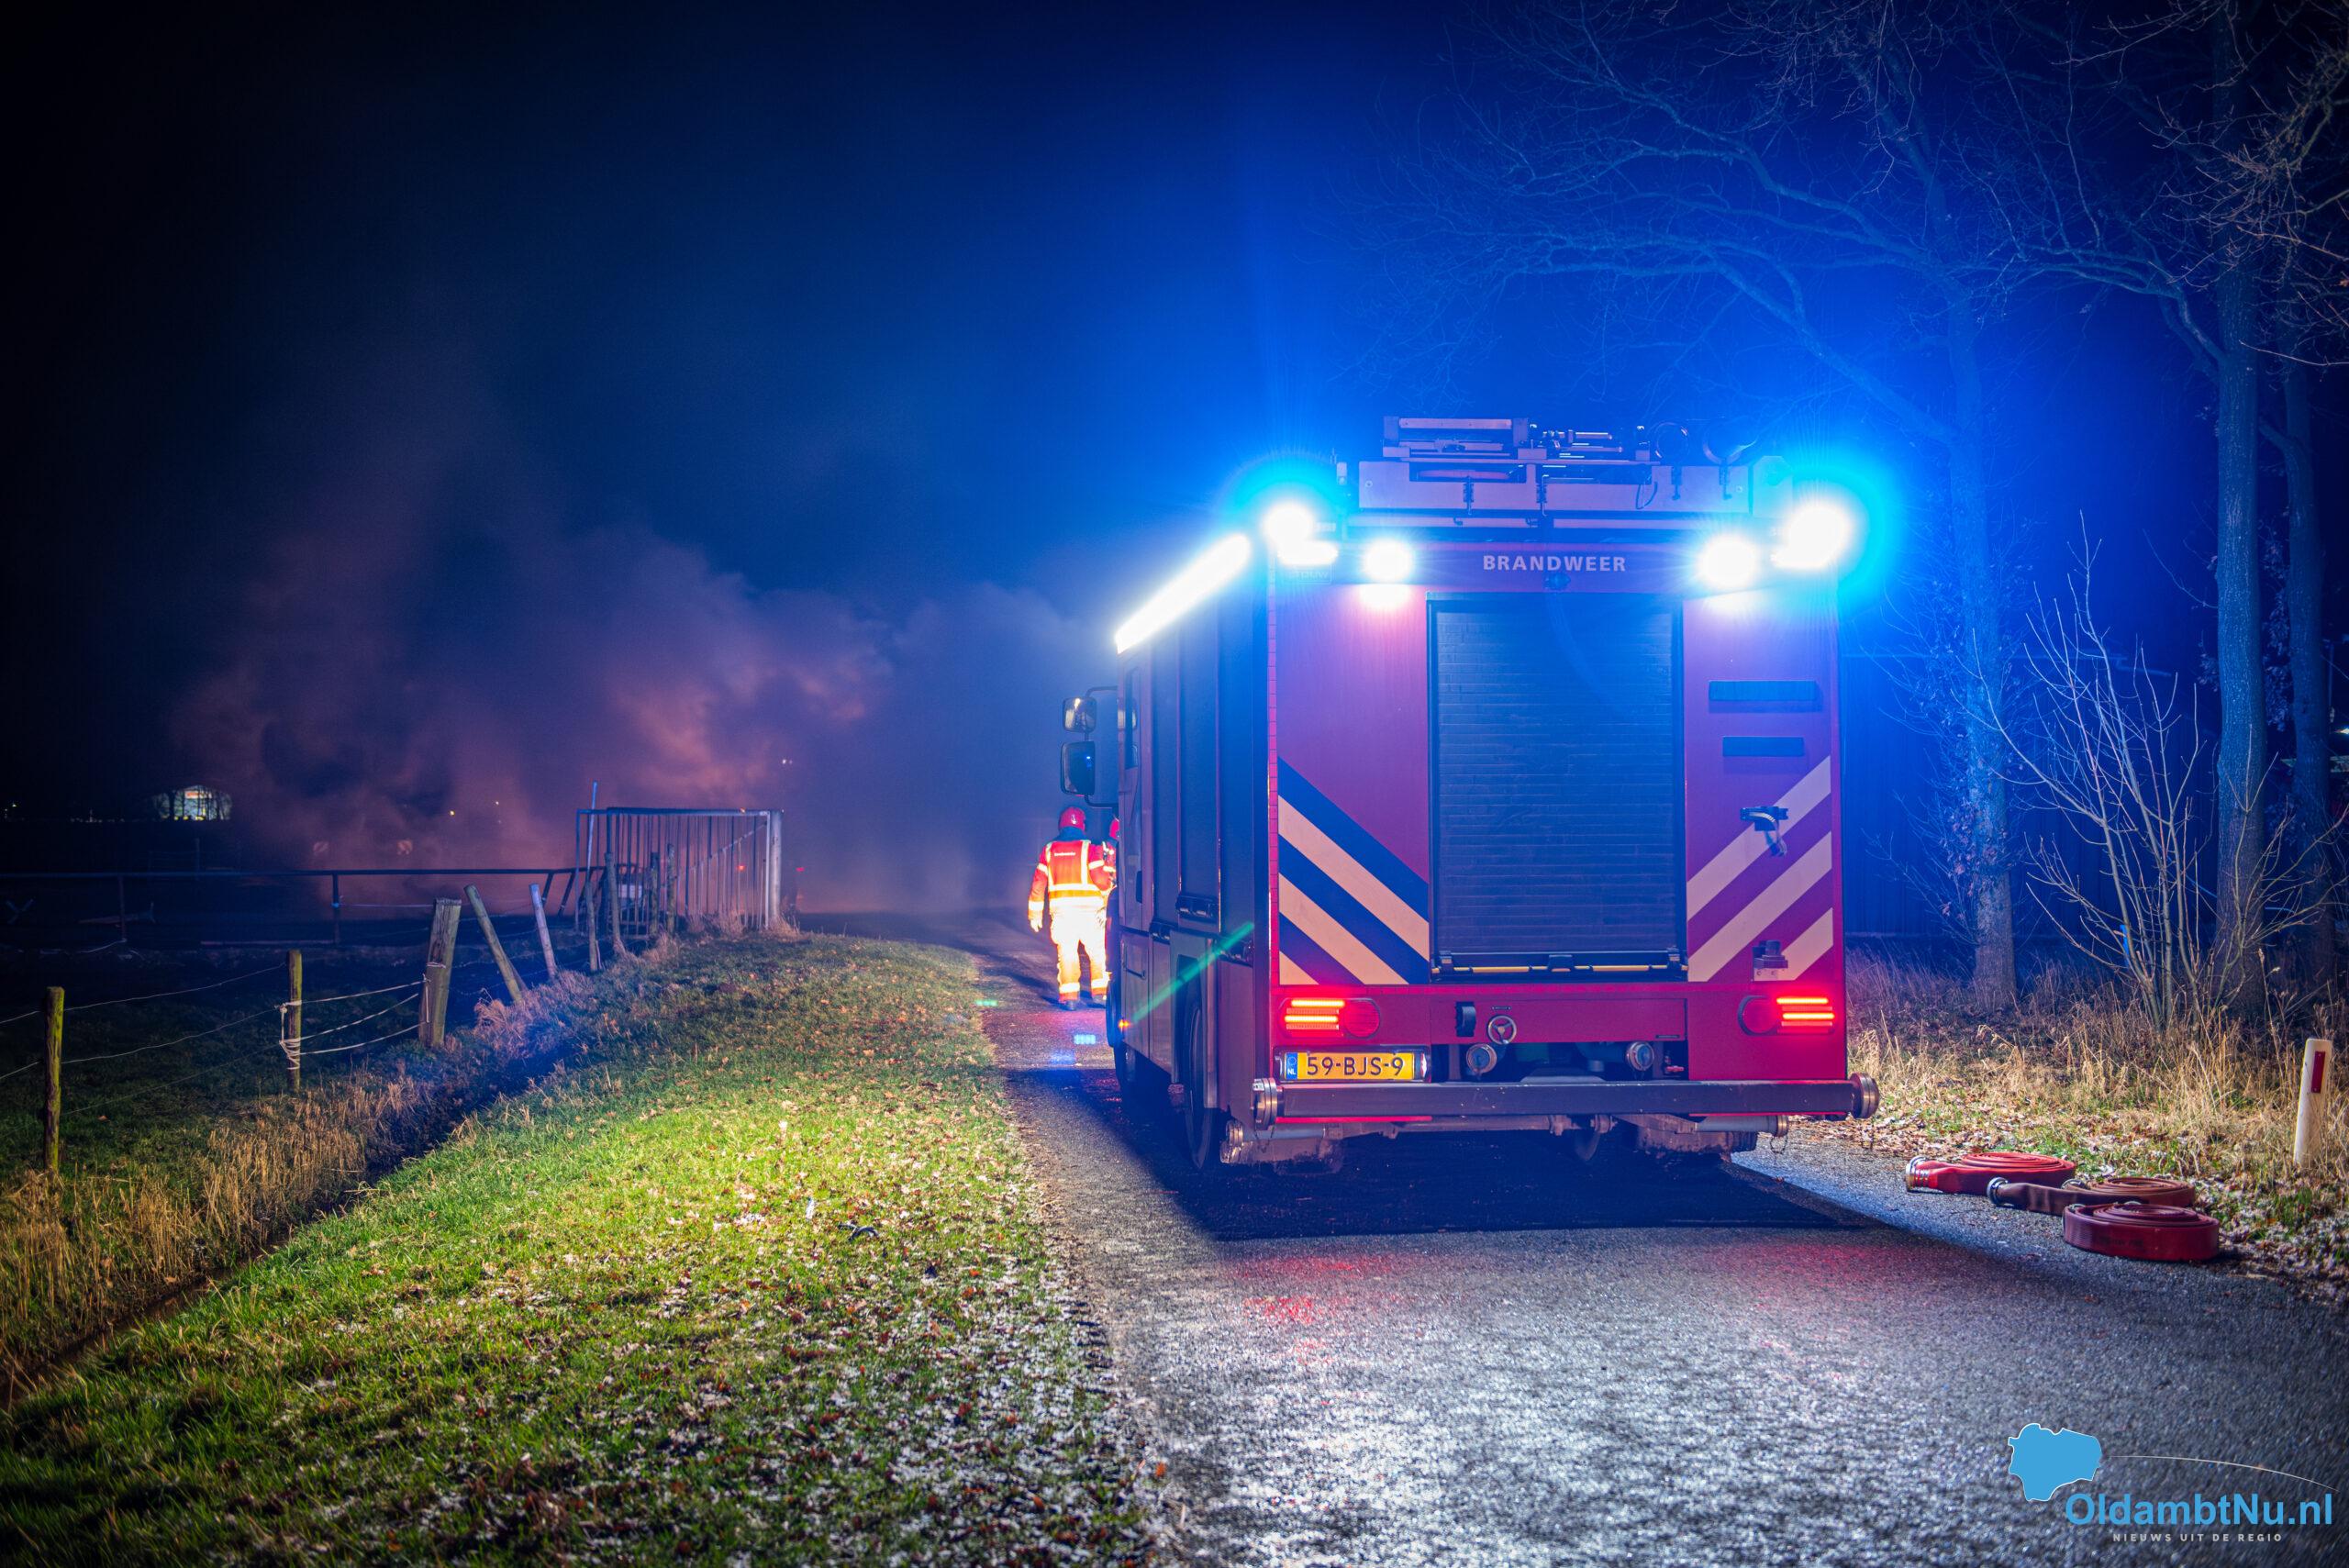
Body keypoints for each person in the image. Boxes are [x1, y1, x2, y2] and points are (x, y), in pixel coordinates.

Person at [1027, 806, 1115, 1007]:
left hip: (1062, 914)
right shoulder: (1090, 848)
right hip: (1090, 913)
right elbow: (1101, 880)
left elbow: (1039, 882)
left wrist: (1035, 914)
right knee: (1098, 952)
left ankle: (1070, 998)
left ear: (1061, 825)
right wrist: (1108, 896)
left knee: (1067, 954)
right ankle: (1100, 994)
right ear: (1082, 825)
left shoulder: (1049, 850)